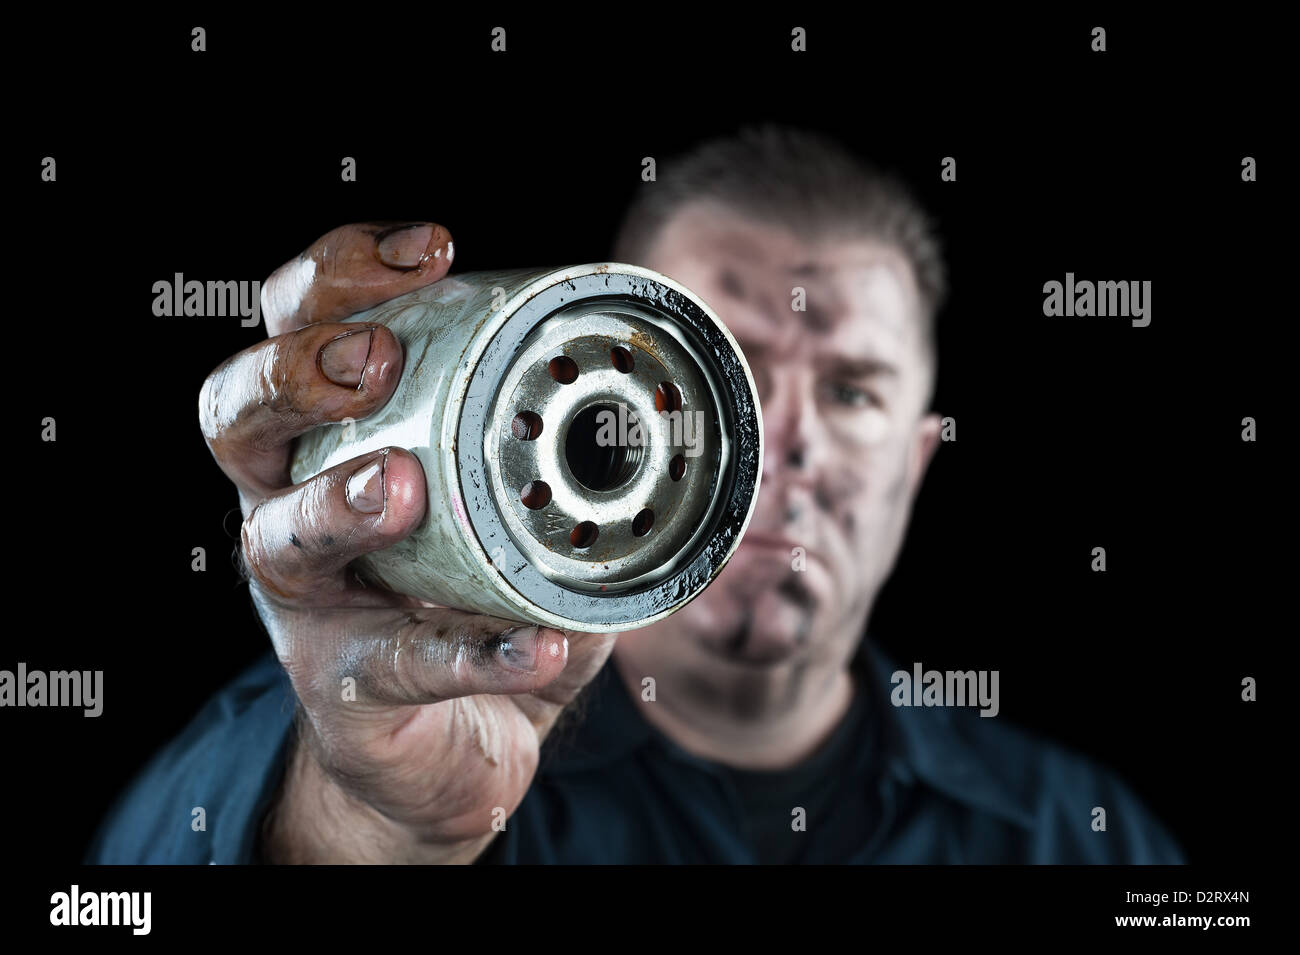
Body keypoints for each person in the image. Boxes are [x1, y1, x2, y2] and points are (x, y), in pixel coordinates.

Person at [86, 125, 1184, 864]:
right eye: (736, 375)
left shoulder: (1081, 836)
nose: (785, 444)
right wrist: (354, 826)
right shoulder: (356, 737)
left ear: (915, 460)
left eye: (851, 390)